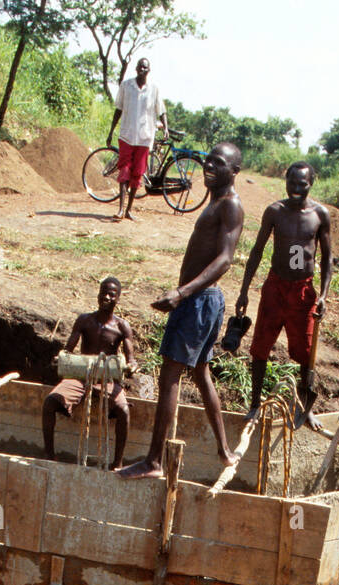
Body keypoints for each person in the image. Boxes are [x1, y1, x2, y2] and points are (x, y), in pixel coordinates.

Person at [116, 143, 245, 481]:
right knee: (201, 373)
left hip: (198, 301)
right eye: (207, 160)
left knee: (170, 375)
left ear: (234, 171)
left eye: (218, 163)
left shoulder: (230, 205)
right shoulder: (217, 201)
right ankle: (223, 449)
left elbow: (225, 260)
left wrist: (182, 293)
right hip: (202, 300)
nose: (208, 167)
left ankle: (154, 461)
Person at [236, 160, 332, 424]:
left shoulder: (320, 214)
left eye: (302, 184)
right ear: (285, 181)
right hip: (275, 288)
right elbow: (257, 251)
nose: (296, 189)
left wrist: (323, 295)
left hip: (303, 292)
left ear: (311, 184)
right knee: (260, 346)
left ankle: (305, 409)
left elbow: (327, 258)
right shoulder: (275, 211)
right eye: (292, 183)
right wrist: (244, 291)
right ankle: (255, 405)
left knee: (306, 350)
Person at [43, 277, 136, 469]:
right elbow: (69, 349)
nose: (107, 297)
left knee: (124, 411)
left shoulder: (121, 326)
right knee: (50, 402)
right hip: (80, 375)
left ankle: (117, 463)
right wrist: (61, 357)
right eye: (104, 292)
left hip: (105, 378)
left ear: (118, 299)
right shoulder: (85, 320)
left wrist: (132, 366)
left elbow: (130, 358)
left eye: (112, 294)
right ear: (98, 294)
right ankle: (49, 456)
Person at [107, 57, 169, 223]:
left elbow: (161, 110)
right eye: (140, 67)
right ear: (136, 69)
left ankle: (128, 210)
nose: (142, 70)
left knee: (137, 174)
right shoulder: (126, 86)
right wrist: (111, 131)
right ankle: (120, 209)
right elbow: (118, 109)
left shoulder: (154, 89)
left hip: (144, 137)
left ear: (149, 71)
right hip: (127, 135)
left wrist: (166, 128)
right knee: (124, 171)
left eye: (145, 68)